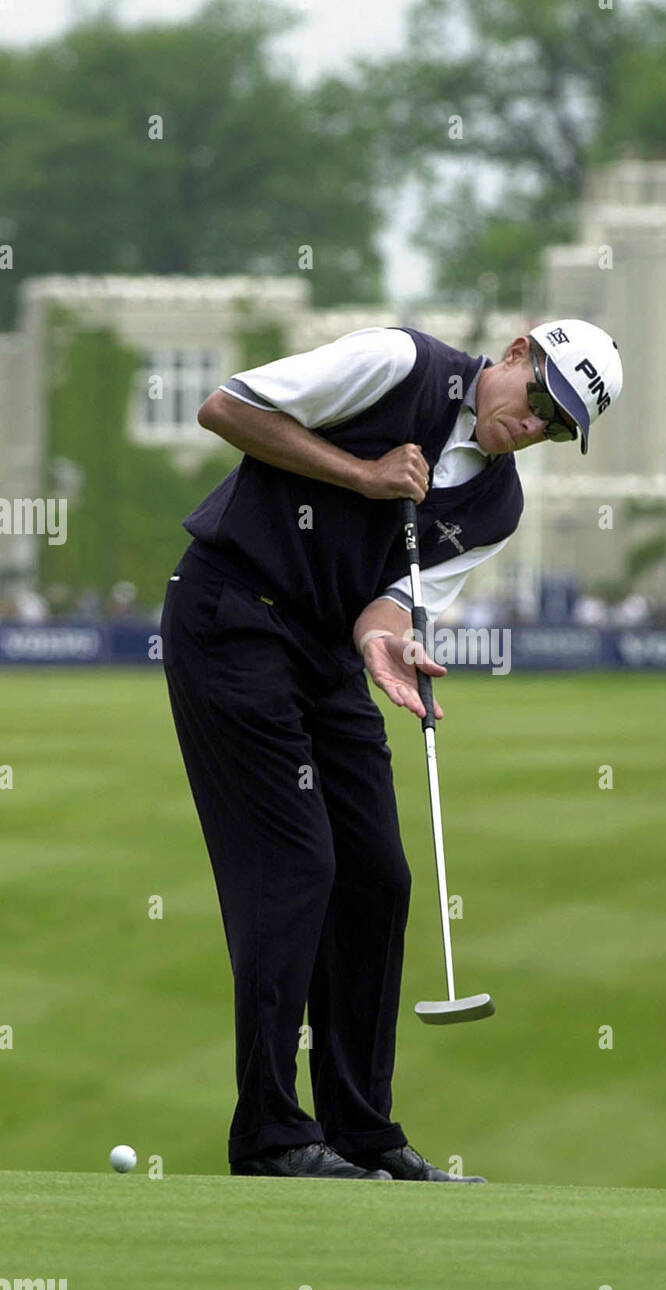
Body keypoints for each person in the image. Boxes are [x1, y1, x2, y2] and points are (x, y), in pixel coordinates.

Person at [161, 319, 622, 1181]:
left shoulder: (499, 505)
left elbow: (394, 601)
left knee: (378, 874)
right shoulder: (400, 364)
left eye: (557, 429)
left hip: (332, 647)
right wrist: (364, 474)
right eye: (537, 403)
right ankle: (271, 1135)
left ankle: (361, 1134)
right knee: (295, 865)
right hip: (233, 614)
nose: (534, 429)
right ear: (517, 353)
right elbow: (225, 408)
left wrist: (386, 641)